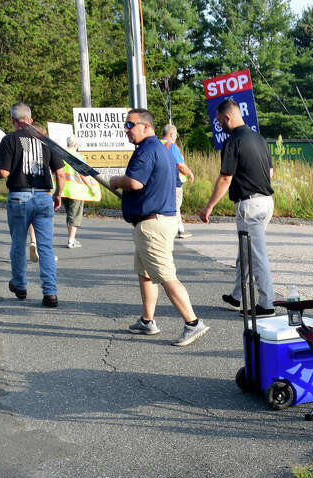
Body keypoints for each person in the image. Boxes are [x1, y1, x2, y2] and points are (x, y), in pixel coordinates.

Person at [111, 108, 209, 347]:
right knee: (145, 274)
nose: (126, 130)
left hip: (152, 225)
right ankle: (147, 321)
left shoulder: (146, 150)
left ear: (146, 126)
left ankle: (193, 323)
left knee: (166, 276)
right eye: (125, 125)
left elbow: (135, 182)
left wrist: (116, 180)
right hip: (156, 221)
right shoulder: (162, 149)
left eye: (130, 125)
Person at [0, 103, 64, 308]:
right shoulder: (47, 141)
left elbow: (3, 172)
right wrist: (58, 194)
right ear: (30, 120)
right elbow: (61, 173)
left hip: (18, 197)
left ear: (13, 121)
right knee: (46, 246)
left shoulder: (9, 140)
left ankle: (20, 286)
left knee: (18, 243)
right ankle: (50, 293)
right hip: (43, 197)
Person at [200, 99, 277, 316]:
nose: (219, 126)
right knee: (246, 251)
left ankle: (267, 303)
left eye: (219, 122)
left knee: (257, 255)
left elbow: (225, 178)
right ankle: (237, 295)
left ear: (227, 118)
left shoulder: (233, 141)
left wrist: (209, 207)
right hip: (266, 201)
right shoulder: (258, 138)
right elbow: (271, 172)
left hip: (249, 205)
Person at [58, 135, 100, 249]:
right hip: (76, 190)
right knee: (75, 215)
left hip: (63, 190)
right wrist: (91, 187)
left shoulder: (60, 154)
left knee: (69, 215)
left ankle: (71, 238)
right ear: (76, 145)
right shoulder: (78, 156)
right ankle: (71, 240)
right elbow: (83, 174)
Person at [161, 123, 195, 239]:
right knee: (175, 206)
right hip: (174, 182)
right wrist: (190, 173)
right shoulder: (172, 146)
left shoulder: (158, 144)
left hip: (161, 182)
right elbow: (180, 165)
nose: (176, 137)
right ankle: (180, 230)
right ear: (171, 134)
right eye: (175, 135)